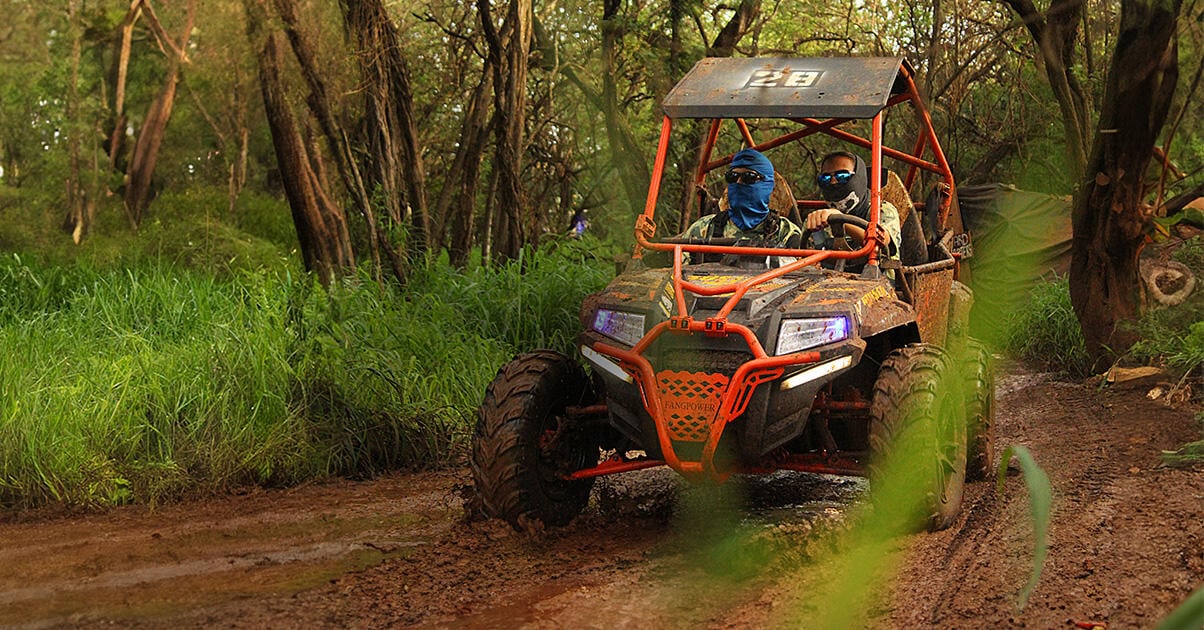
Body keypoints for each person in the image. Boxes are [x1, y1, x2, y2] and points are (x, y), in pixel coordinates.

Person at [673, 148, 803, 264]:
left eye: (749, 177)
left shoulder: (785, 232)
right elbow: (677, 275)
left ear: (767, 185)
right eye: (732, 176)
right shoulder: (704, 228)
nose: (739, 183)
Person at [803, 151, 901, 267]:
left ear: (859, 178)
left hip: (879, 279)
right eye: (825, 179)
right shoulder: (818, 219)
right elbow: (802, 256)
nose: (833, 182)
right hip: (828, 281)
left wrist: (840, 219)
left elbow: (882, 243)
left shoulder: (882, 211)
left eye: (842, 176)